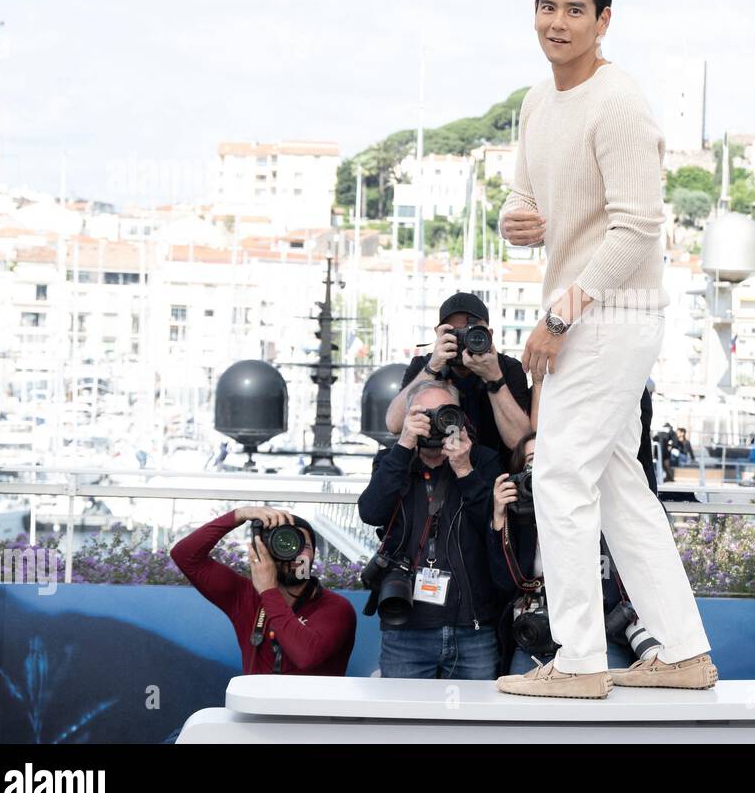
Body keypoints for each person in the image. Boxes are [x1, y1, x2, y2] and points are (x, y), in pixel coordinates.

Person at [494, 0, 715, 698]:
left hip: (610, 314)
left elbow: (636, 228)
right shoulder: (537, 100)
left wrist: (557, 316)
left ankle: (580, 661)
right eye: (547, 7)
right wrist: (514, 221)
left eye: (575, 10)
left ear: (603, 21)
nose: (558, 22)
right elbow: (523, 198)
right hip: (589, 312)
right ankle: (682, 651)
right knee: (618, 485)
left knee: (560, 476)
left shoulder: (619, 102)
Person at [358, 378, 507, 679]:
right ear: (409, 419)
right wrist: (403, 447)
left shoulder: (483, 461)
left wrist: (464, 470)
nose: (435, 422)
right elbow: (371, 512)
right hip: (406, 625)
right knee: (402, 709)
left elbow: (494, 527)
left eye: (444, 413)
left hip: (472, 625)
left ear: (460, 419)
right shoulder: (393, 461)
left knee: (474, 710)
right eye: (424, 415)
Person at [490, 432, 647, 676]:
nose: (540, 468)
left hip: (596, 638)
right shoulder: (518, 520)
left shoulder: (592, 507)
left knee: (609, 694)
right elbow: (503, 584)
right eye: (531, 460)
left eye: (548, 458)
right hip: (536, 635)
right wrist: (500, 517)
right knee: (518, 698)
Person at [170, 506, 356, 676]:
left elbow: (305, 656)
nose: (295, 553)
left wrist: (268, 590)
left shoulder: (336, 608)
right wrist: (239, 515)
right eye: (283, 544)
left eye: (304, 546)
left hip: (310, 704)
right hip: (254, 703)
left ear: (314, 554)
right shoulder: (243, 595)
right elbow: (184, 555)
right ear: (264, 551)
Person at [386, 291, 532, 472]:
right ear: (438, 334)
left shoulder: (507, 369)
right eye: (454, 332)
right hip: (439, 475)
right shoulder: (425, 366)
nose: (463, 339)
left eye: (472, 332)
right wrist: (433, 367)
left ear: (489, 334)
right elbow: (394, 425)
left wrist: (494, 378)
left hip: (495, 477)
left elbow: (520, 442)